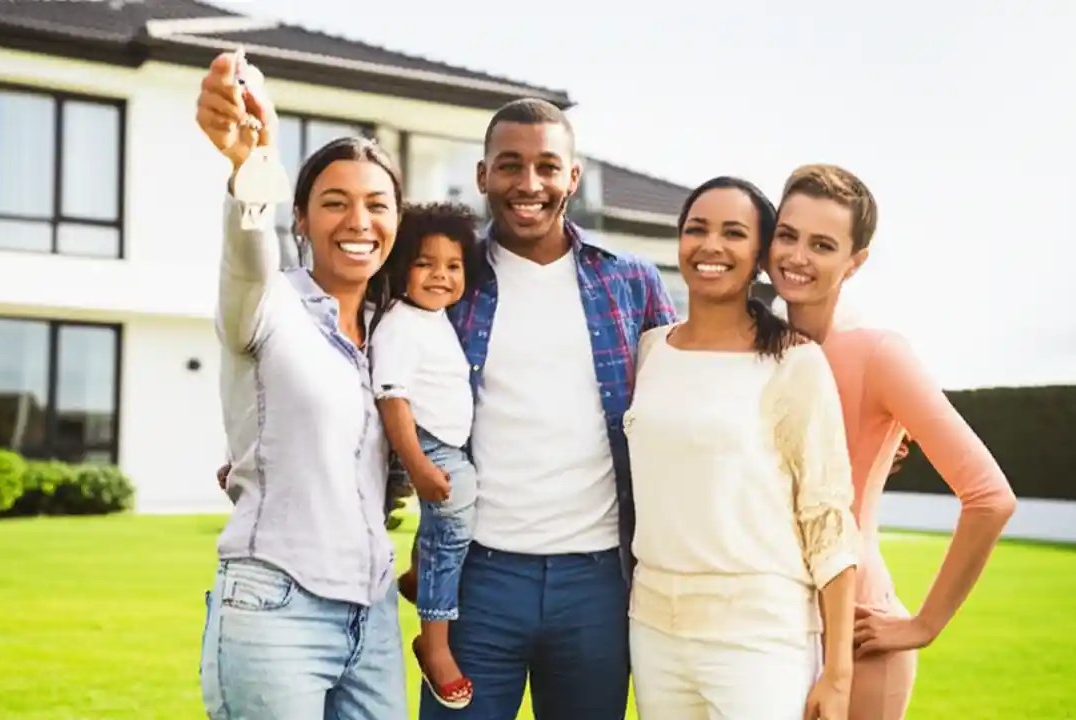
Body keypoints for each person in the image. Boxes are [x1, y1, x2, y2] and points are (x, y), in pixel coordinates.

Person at [418, 98, 678, 720]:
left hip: (597, 585)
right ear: (483, 176)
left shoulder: (632, 283)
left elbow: (690, 395)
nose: (528, 184)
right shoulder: (448, 283)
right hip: (477, 579)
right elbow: (385, 387)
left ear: (573, 177)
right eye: (509, 166)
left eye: (546, 167)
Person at [194, 51, 407, 719]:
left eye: (377, 205)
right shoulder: (266, 306)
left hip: (371, 615)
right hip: (275, 606)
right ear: (303, 218)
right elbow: (249, 250)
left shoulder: (398, 335)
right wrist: (250, 162)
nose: (359, 222)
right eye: (335, 203)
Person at [766, 163, 1017, 719]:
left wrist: (924, 624)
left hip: (859, 635)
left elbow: (990, 497)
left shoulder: (879, 354)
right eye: (788, 235)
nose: (797, 256)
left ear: (854, 262)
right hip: (770, 629)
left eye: (823, 244)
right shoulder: (760, 348)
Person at [624, 177, 859, 720]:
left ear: (759, 255)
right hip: (656, 629)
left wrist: (838, 673)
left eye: (734, 233)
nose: (711, 246)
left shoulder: (795, 363)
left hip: (760, 636)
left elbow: (828, 518)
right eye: (696, 229)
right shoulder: (652, 350)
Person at [370, 202, 481, 709]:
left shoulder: (434, 317)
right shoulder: (400, 323)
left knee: (448, 526)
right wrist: (417, 464)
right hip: (428, 441)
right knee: (455, 517)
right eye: (425, 263)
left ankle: (418, 577)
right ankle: (433, 644)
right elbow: (391, 399)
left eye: (452, 266)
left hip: (449, 439)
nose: (440, 275)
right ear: (400, 267)